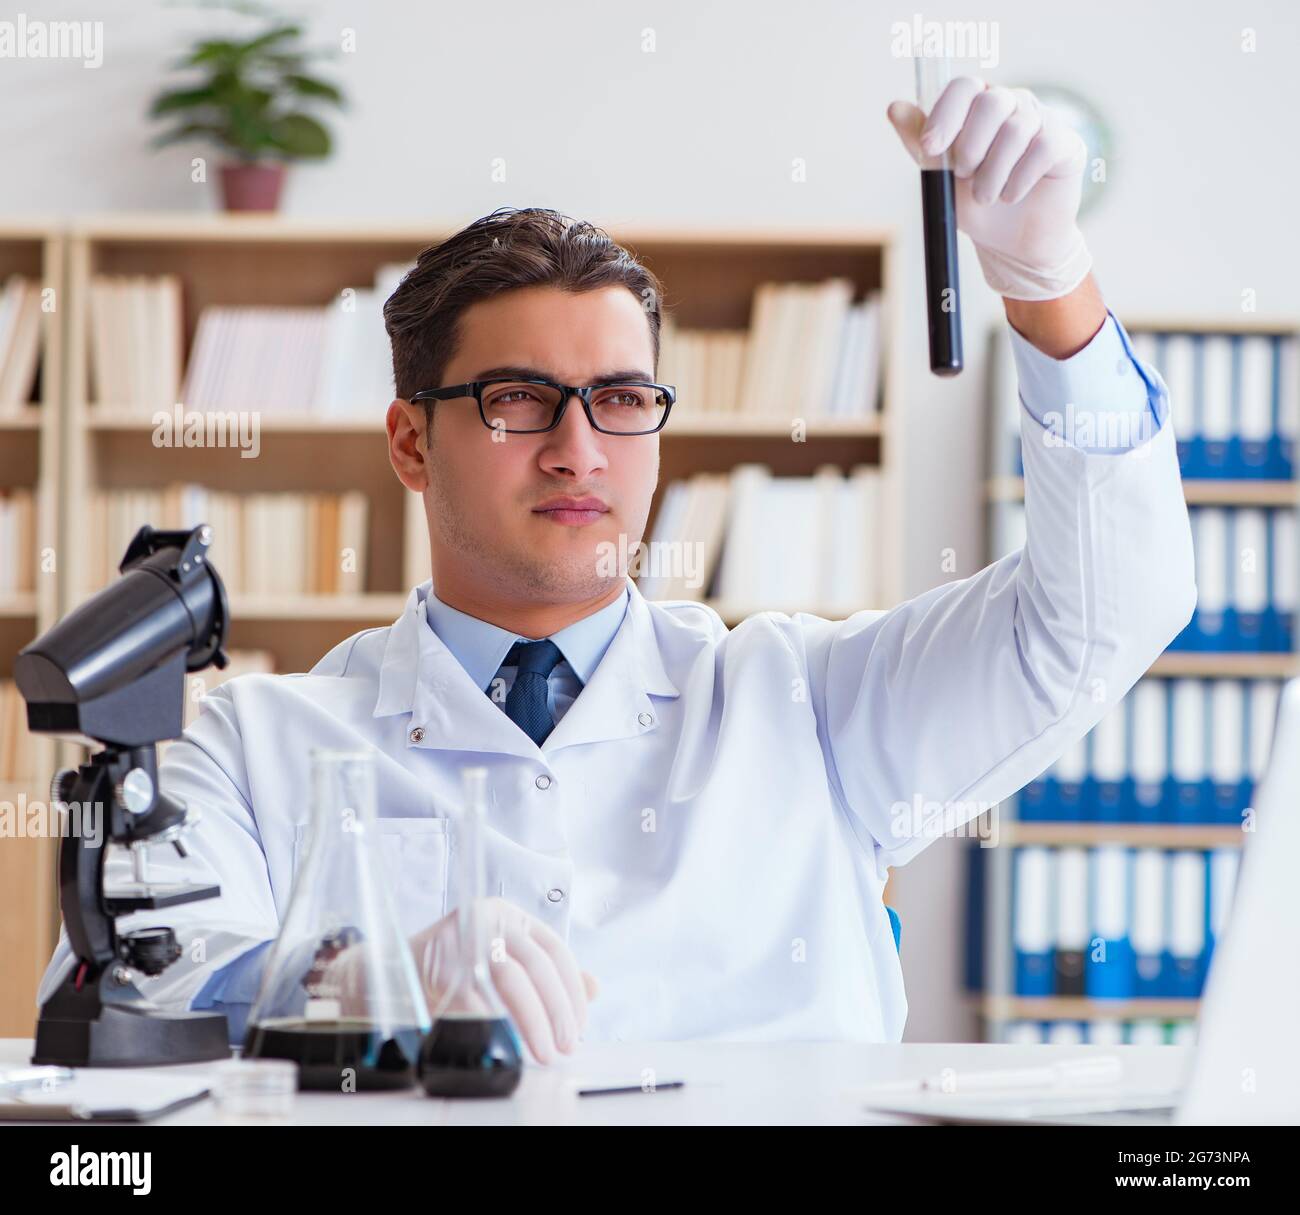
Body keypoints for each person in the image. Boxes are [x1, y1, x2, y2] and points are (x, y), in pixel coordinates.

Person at [38, 78, 1195, 1063]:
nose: (578, 447)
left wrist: (1053, 294)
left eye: (623, 400)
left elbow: (1102, 618)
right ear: (408, 441)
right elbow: (120, 1005)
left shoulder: (812, 700)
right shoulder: (252, 745)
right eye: (519, 399)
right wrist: (353, 981)